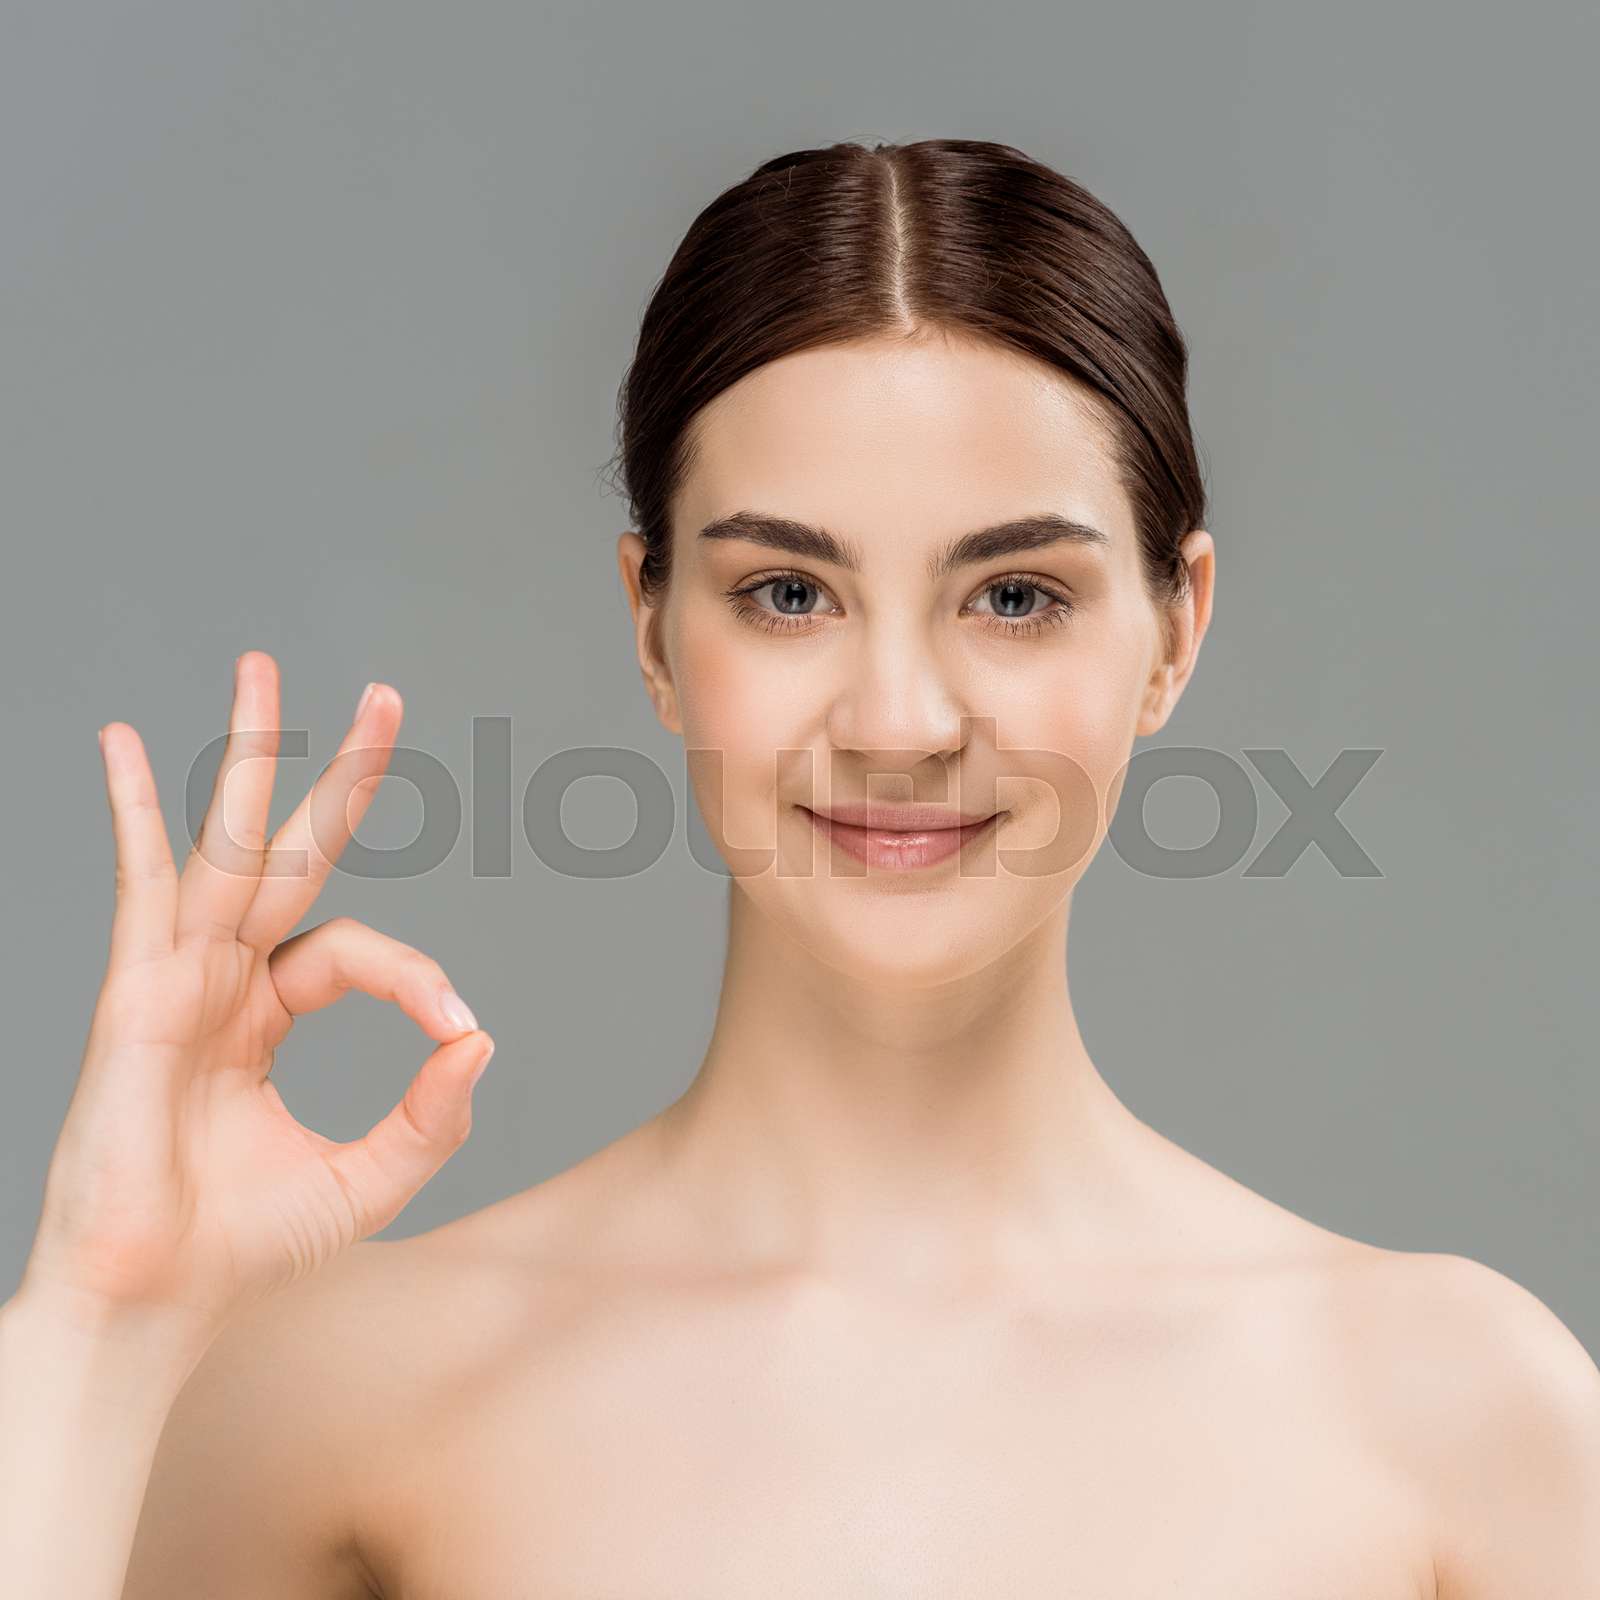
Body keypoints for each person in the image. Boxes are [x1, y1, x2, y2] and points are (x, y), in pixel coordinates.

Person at [3, 137, 1597, 1599]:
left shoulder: (1458, 1411)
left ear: (1175, 626)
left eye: (1018, 595)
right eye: (786, 593)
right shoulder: (347, 1396)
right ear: (652, 625)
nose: (900, 723)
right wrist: (98, 1328)